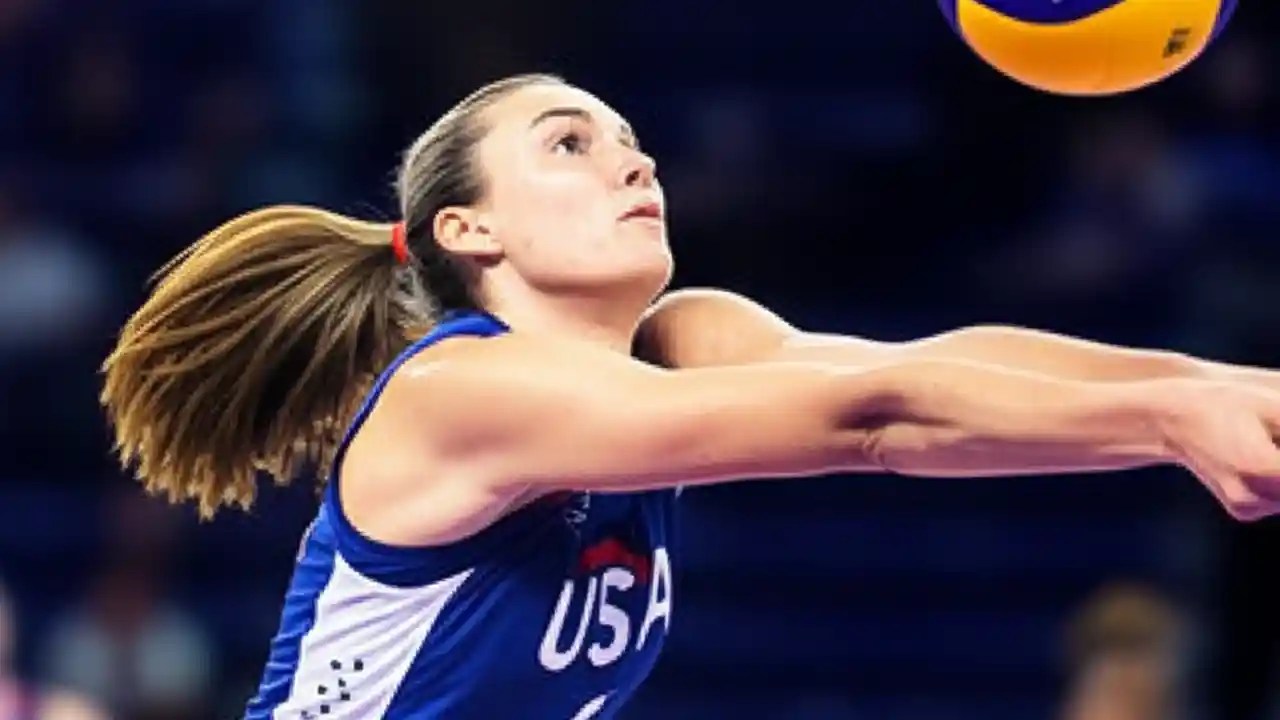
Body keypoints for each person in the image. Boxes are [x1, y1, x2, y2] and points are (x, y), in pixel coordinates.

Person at [99, 72, 1280, 719]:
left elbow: (922, 366)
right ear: (469, 229)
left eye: (629, 138)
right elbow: (871, 424)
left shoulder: (678, 339)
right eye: (569, 144)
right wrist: (1169, 424)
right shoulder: (460, 390)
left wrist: (1218, 386)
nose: (632, 159)